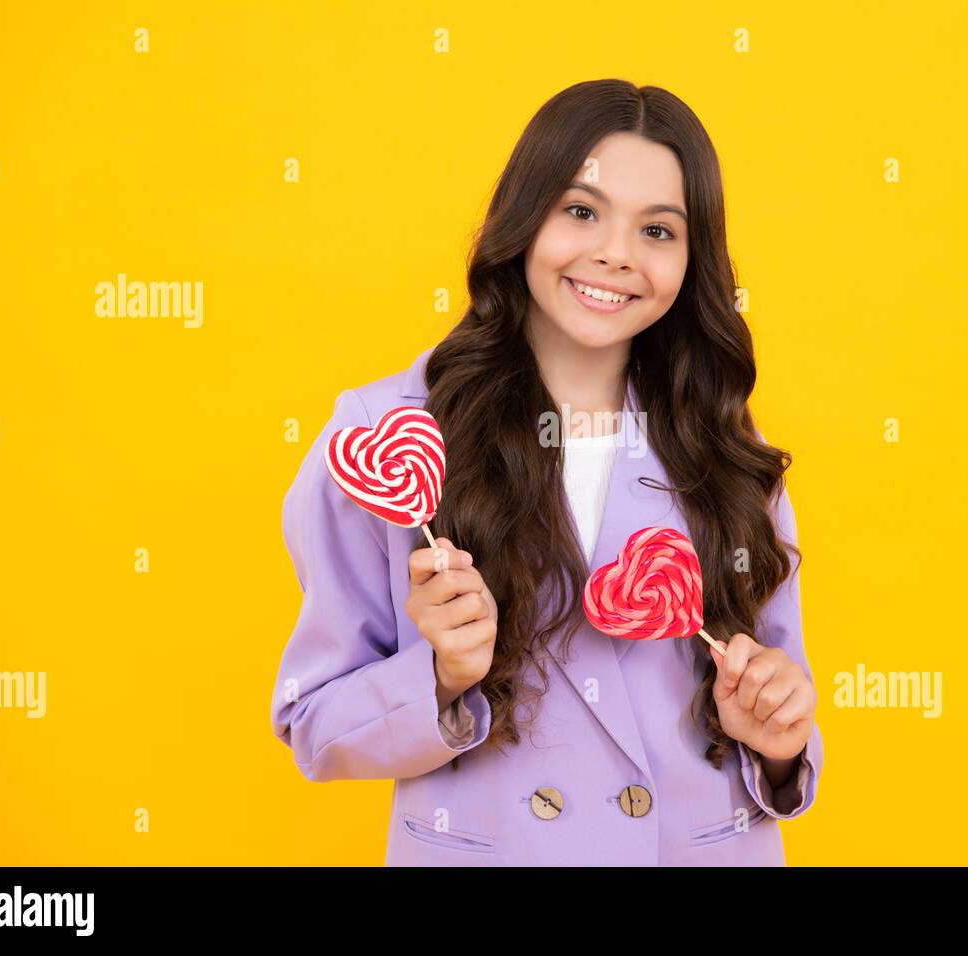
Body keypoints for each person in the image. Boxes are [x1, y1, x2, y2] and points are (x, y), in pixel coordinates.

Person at [271, 78, 825, 865]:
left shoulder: (724, 445)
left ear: (692, 258)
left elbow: (783, 696)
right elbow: (314, 725)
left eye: (659, 231)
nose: (616, 254)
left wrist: (777, 736)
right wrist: (437, 674)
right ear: (523, 216)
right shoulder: (390, 433)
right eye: (581, 211)